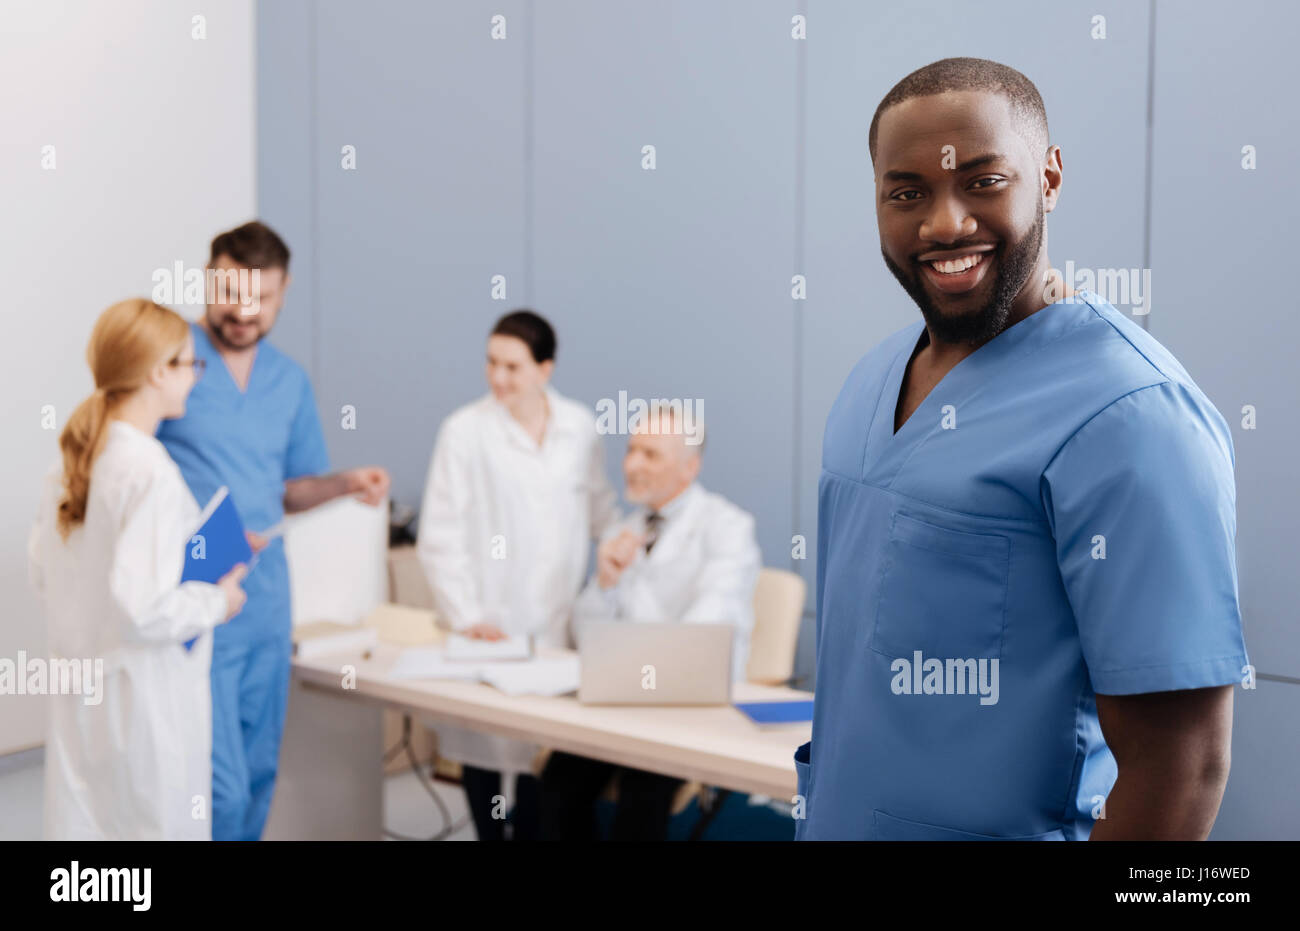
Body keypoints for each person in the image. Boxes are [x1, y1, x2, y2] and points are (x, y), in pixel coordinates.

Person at [796, 58, 1249, 841]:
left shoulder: (1133, 418)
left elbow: (1182, 772)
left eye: (982, 180)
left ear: (1049, 178)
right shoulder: (869, 381)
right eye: (907, 192)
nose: (944, 223)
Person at [157, 221, 390, 841]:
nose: (244, 312)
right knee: (217, 790)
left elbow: (289, 488)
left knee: (259, 775)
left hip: (266, 601)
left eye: (262, 298)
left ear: (283, 293)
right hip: (197, 587)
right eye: (232, 293)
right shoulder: (170, 357)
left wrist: (345, 484)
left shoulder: (287, 380)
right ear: (210, 279)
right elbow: (125, 460)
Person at [28, 298, 252, 840]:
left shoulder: (75, 462)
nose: (195, 379)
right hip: (143, 706)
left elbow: (47, 572)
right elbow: (144, 609)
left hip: (86, 700)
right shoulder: (148, 471)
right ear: (158, 372)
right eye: (190, 365)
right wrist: (219, 600)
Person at [417, 309, 618, 841]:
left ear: (545, 368)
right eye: (491, 363)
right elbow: (440, 535)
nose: (498, 377)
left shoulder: (578, 427)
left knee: (542, 756)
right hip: (489, 619)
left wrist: (624, 544)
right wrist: (467, 616)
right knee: (485, 747)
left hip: (556, 621)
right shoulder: (464, 430)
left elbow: (600, 510)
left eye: (513, 366)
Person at [541, 406, 761, 841]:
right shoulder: (622, 531)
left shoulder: (727, 528)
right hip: (624, 704)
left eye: (651, 454)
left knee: (641, 800)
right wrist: (605, 583)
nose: (633, 464)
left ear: (689, 467)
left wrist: (639, 662)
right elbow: (586, 638)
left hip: (688, 708)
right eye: (631, 450)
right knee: (556, 788)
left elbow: (709, 626)